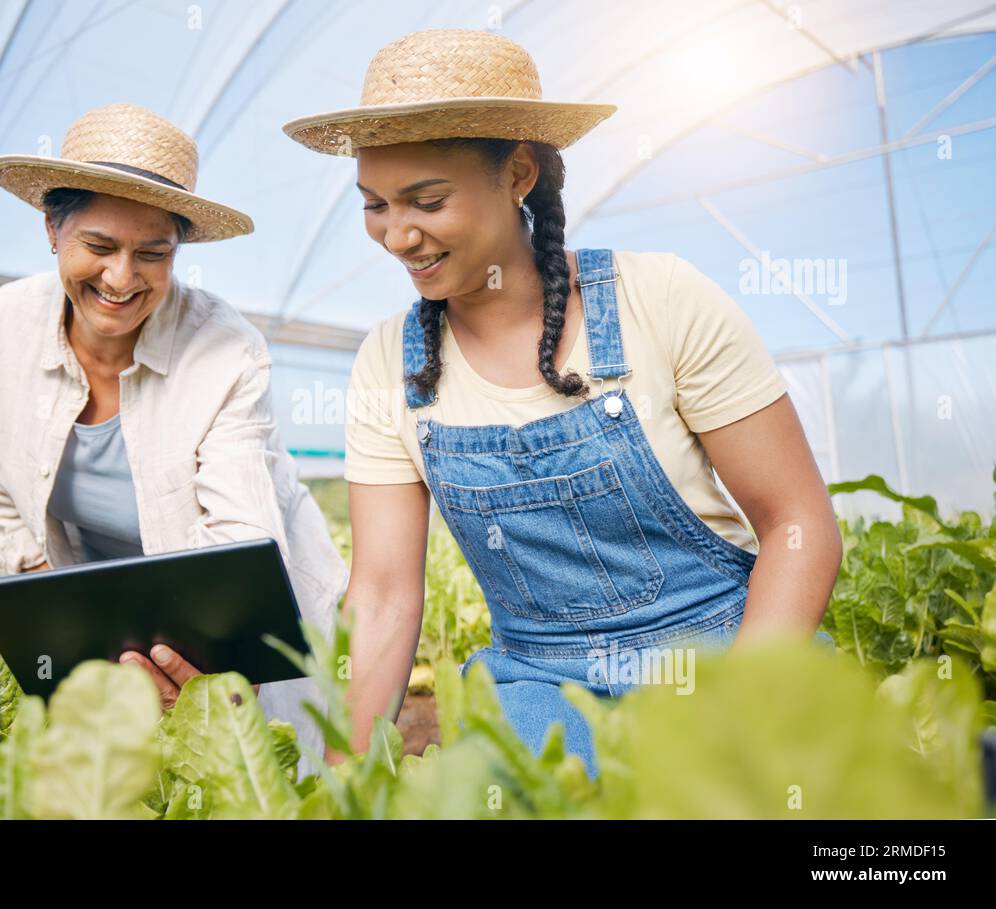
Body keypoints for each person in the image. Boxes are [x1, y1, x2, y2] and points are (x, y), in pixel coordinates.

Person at [283, 29, 842, 776]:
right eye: (374, 205)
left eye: (426, 200)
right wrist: (336, 779)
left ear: (518, 172)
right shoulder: (390, 363)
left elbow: (799, 524)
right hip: (540, 688)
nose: (397, 235)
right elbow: (383, 595)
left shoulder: (660, 299)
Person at [0, 103, 349, 774]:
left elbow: (240, 543)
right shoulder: (4, 328)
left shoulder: (224, 351)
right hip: (108, 628)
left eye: (153, 253)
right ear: (52, 228)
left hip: (244, 621)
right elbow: (2, 482)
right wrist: (55, 624)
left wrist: (205, 662)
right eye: (98, 245)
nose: (121, 278)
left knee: (261, 783)